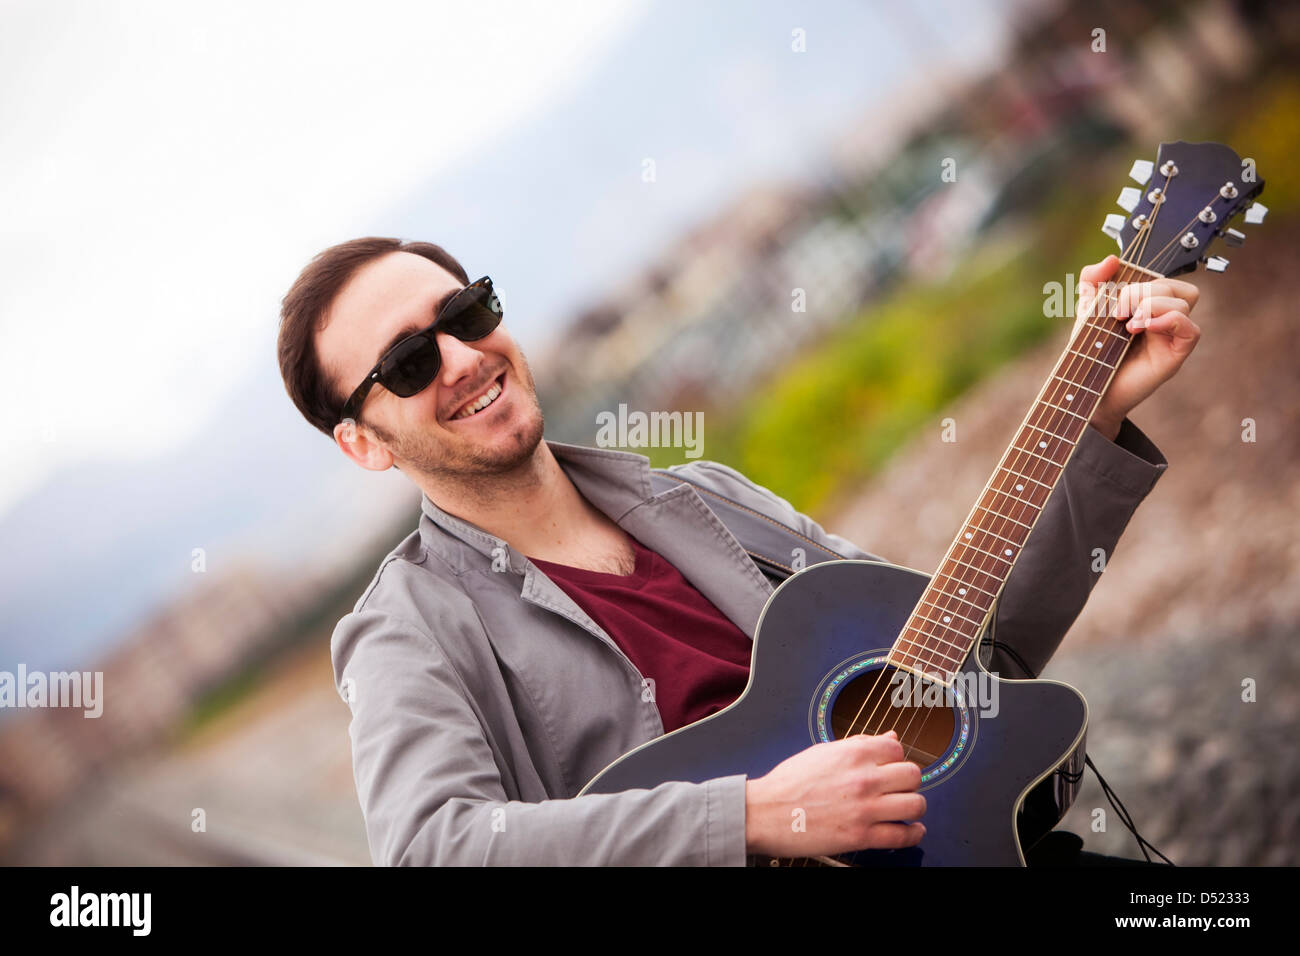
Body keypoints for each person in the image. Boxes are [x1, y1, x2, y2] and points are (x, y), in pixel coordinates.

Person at [276, 237, 1200, 866]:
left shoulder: (708, 499)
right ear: (364, 441)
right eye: (407, 363)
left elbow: (976, 671)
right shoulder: (406, 632)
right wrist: (754, 816)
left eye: (467, 313)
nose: (462, 358)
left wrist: (1098, 412)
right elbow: (438, 849)